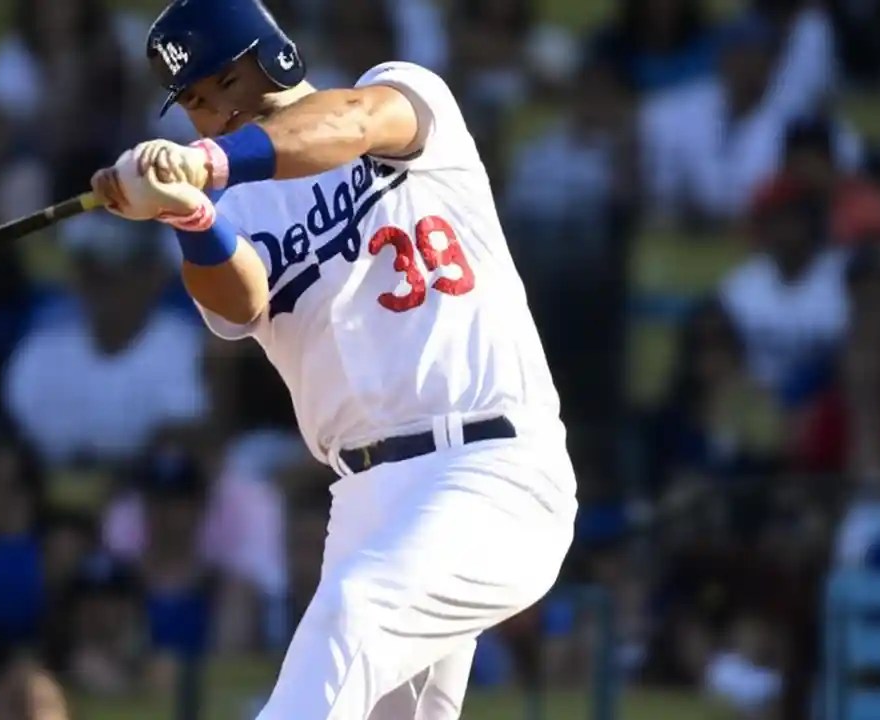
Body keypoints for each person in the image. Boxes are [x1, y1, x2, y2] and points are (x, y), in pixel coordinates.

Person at [89, 1, 578, 717]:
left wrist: (210, 164)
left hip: (488, 465)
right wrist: (187, 213)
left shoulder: (403, 92)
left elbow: (353, 121)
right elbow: (236, 309)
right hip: (362, 497)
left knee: (350, 616)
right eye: (190, 101)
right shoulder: (237, 207)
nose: (207, 112)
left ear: (271, 57)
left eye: (218, 84)